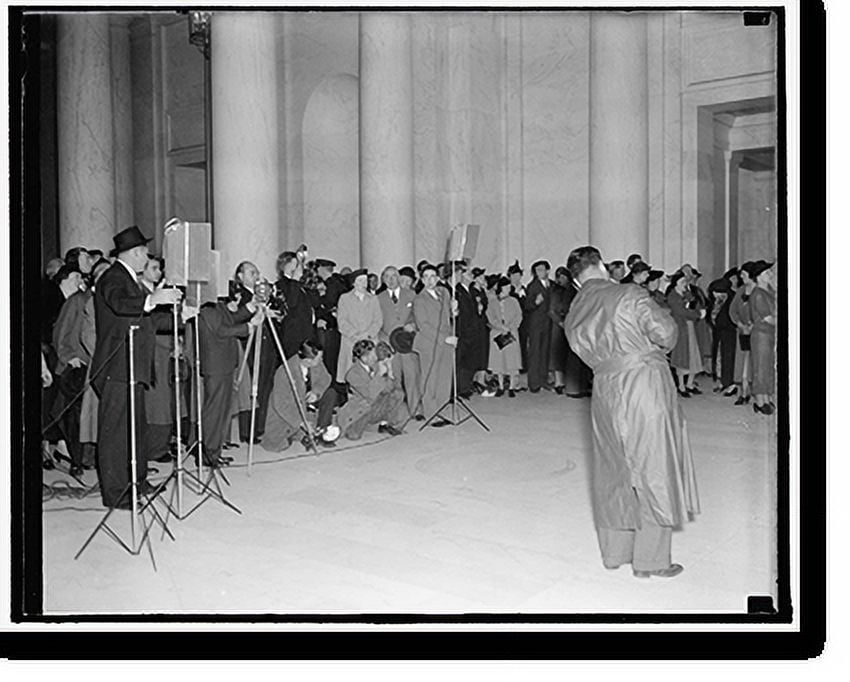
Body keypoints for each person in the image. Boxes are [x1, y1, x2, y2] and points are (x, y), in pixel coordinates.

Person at [564, 246, 699, 579]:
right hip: (643, 385)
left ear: (576, 280)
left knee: (615, 469)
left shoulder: (575, 312)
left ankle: (616, 554)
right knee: (654, 465)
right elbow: (666, 333)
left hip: (605, 389)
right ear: (601, 266)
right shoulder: (627, 293)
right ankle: (651, 560)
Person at [90, 226, 187, 509]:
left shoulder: (131, 279)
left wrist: (182, 317)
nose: (147, 255)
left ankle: (137, 481)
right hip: (116, 367)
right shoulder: (113, 277)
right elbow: (121, 305)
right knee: (117, 432)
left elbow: (149, 322)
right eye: (144, 251)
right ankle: (117, 493)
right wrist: (152, 299)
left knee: (135, 429)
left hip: (133, 366)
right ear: (134, 253)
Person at [198, 294, 263, 466]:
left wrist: (250, 306)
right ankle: (208, 453)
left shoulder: (218, 306)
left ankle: (215, 451)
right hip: (216, 367)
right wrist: (249, 326)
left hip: (225, 365)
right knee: (214, 412)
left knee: (223, 411)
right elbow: (221, 330)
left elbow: (231, 319)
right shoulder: (207, 306)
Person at [50, 265, 91, 476]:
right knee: (74, 417)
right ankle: (76, 459)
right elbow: (60, 333)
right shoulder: (76, 300)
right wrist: (69, 357)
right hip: (75, 366)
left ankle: (82, 457)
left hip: (91, 365)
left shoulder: (93, 300)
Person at [413, 263, 457, 426]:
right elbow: (423, 326)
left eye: (433, 276)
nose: (430, 280)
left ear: (438, 278)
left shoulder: (444, 293)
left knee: (444, 378)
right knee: (430, 378)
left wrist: (455, 310)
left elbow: (448, 316)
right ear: (422, 280)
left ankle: (441, 408)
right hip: (430, 343)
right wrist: (444, 339)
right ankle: (431, 413)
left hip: (446, 340)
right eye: (426, 277)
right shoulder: (419, 299)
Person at [377, 266, 422, 419]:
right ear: (383, 279)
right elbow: (377, 322)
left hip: (408, 343)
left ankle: (415, 410)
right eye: (387, 276)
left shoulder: (411, 295)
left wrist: (413, 325)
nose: (391, 279)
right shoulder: (379, 298)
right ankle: (392, 413)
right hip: (390, 345)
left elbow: (418, 315)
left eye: (394, 276)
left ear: (399, 278)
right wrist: (383, 342)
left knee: (412, 376)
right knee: (393, 379)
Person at [337, 339, 406, 440]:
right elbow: (370, 394)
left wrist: (389, 372)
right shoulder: (352, 374)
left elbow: (389, 389)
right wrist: (379, 375)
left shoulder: (377, 365)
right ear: (364, 358)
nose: (375, 357)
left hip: (377, 403)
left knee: (398, 393)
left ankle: (384, 423)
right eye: (372, 355)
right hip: (362, 408)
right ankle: (364, 424)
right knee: (353, 436)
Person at [336, 268, 383, 383]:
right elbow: (342, 321)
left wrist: (368, 334)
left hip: (370, 341)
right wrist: (355, 335)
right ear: (354, 283)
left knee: (372, 376)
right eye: (361, 281)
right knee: (352, 376)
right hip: (351, 341)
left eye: (365, 281)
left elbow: (378, 320)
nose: (364, 284)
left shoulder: (373, 299)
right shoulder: (344, 299)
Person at [666, 272, 707, 397]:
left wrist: (691, 300)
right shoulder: (673, 296)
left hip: (689, 326)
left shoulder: (685, 293)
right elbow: (681, 311)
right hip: (681, 327)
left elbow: (694, 302)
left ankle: (689, 383)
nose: (685, 284)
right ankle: (681, 385)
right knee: (681, 357)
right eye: (682, 282)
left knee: (693, 355)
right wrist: (698, 314)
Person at [453, 261, 488, 399]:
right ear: (461, 276)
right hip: (463, 331)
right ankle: (458, 388)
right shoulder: (457, 291)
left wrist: (480, 308)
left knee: (470, 361)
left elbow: (479, 310)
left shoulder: (473, 292)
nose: (470, 275)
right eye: (467, 273)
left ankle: (466, 387)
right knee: (461, 362)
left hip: (474, 331)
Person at [486, 276, 522, 397]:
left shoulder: (514, 301)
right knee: (498, 361)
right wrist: (500, 327)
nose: (508, 288)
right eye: (505, 286)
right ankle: (500, 386)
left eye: (508, 286)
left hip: (511, 334)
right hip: (497, 334)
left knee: (512, 360)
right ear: (500, 288)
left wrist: (510, 327)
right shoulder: (492, 302)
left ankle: (512, 386)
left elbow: (519, 316)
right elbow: (490, 317)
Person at [749, 262, 776, 414]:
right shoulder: (758, 293)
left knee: (767, 366)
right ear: (759, 277)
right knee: (760, 366)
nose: (770, 275)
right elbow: (768, 318)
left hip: (769, 334)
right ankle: (760, 401)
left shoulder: (769, 290)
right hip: (761, 335)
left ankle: (766, 398)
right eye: (767, 273)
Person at [729, 262, 757, 405]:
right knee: (741, 362)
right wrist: (740, 324)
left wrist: (753, 325)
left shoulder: (759, 290)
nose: (741, 276)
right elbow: (732, 310)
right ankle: (742, 392)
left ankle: (751, 392)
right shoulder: (741, 290)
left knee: (753, 362)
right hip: (741, 331)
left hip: (755, 332)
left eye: (744, 274)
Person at [524, 260, 553, 392]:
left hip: (548, 323)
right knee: (535, 353)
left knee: (545, 352)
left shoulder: (552, 285)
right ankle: (534, 383)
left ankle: (543, 380)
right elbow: (527, 306)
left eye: (541, 270)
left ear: (547, 270)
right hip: (535, 324)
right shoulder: (532, 286)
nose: (539, 273)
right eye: (537, 271)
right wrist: (536, 302)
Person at [707, 276, 737, 395]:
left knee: (728, 358)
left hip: (729, 333)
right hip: (719, 332)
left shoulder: (732, 299)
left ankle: (730, 384)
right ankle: (721, 381)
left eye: (717, 292)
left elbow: (731, 317)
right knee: (719, 357)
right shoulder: (718, 300)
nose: (714, 294)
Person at [548, 266, 572, 394]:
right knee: (557, 353)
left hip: (570, 323)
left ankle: (569, 382)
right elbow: (551, 311)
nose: (562, 279)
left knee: (568, 354)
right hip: (558, 325)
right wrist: (560, 322)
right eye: (559, 276)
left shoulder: (572, 290)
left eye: (564, 276)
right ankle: (558, 382)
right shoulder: (555, 291)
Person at [507, 260, 528, 374]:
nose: (515, 277)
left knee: (522, 345)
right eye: (513, 275)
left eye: (518, 275)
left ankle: (521, 368)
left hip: (523, 322)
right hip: (510, 322)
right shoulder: (506, 289)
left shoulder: (524, 288)